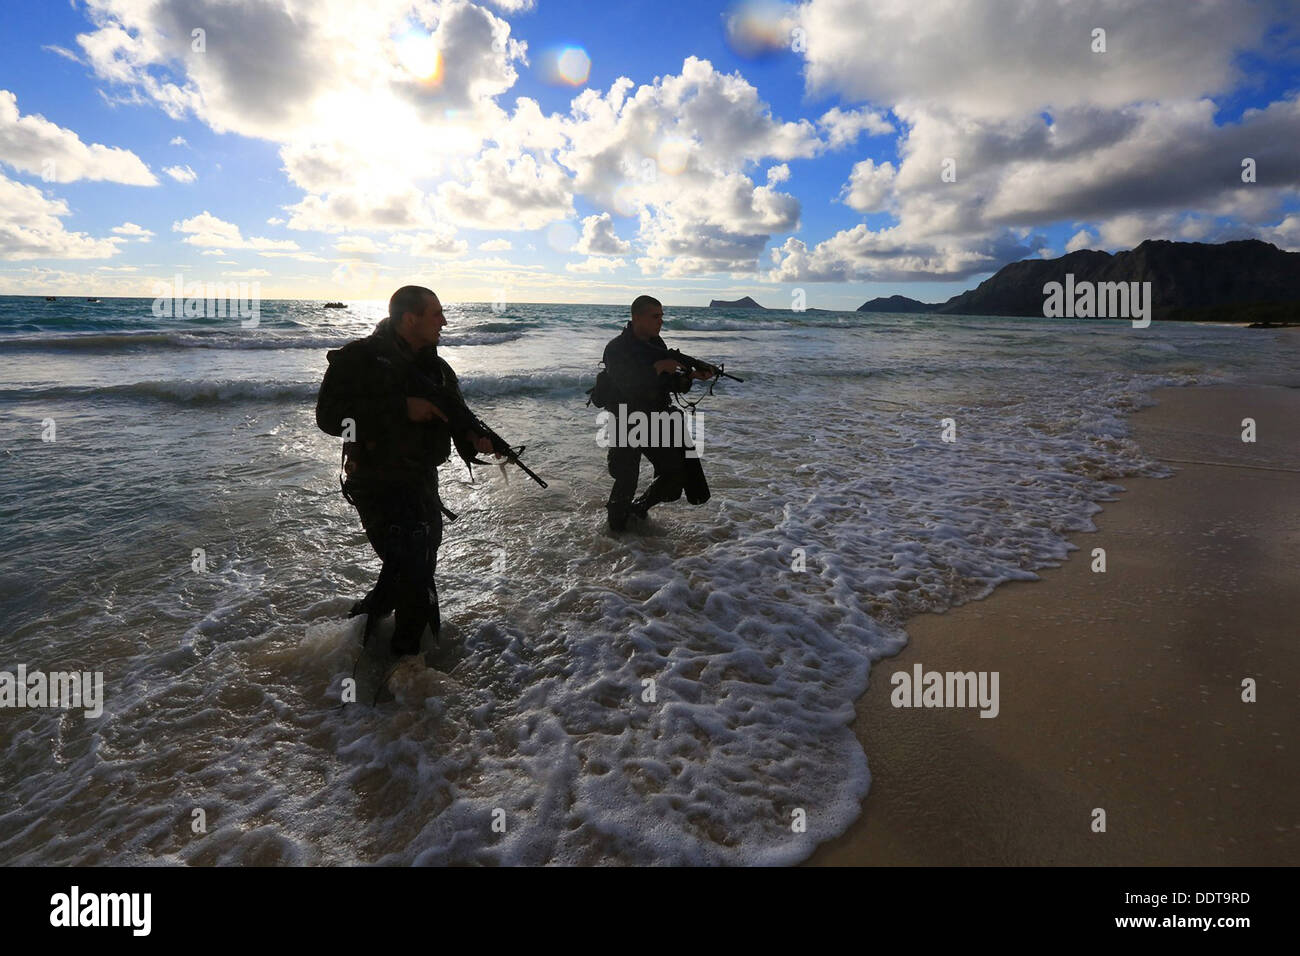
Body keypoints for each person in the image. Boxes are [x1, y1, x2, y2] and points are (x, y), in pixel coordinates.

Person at [315, 285, 494, 655]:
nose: (444, 322)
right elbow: (330, 418)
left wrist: (475, 437)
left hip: (421, 481)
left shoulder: (437, 368)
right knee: (412, 569)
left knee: (415, 565)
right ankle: (404, 662)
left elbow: (455, 414)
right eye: (437, 314)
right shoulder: (358, 359)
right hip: (375, 482)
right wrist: (401, 408)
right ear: (410, 319)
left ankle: (370, 628)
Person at [601, 295, 713, 532]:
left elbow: (672, 385)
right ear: (637, 317)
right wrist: (659, 367)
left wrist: (691, 376)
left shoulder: (657, 345)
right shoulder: (616, 348)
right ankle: (614, 537)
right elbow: (628, 387)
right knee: (626, 478)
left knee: (675, 474)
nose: (660, 321)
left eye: (662, 316)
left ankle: (639, 509)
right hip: (627, 420)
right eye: (655, 316)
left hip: (656, 418)